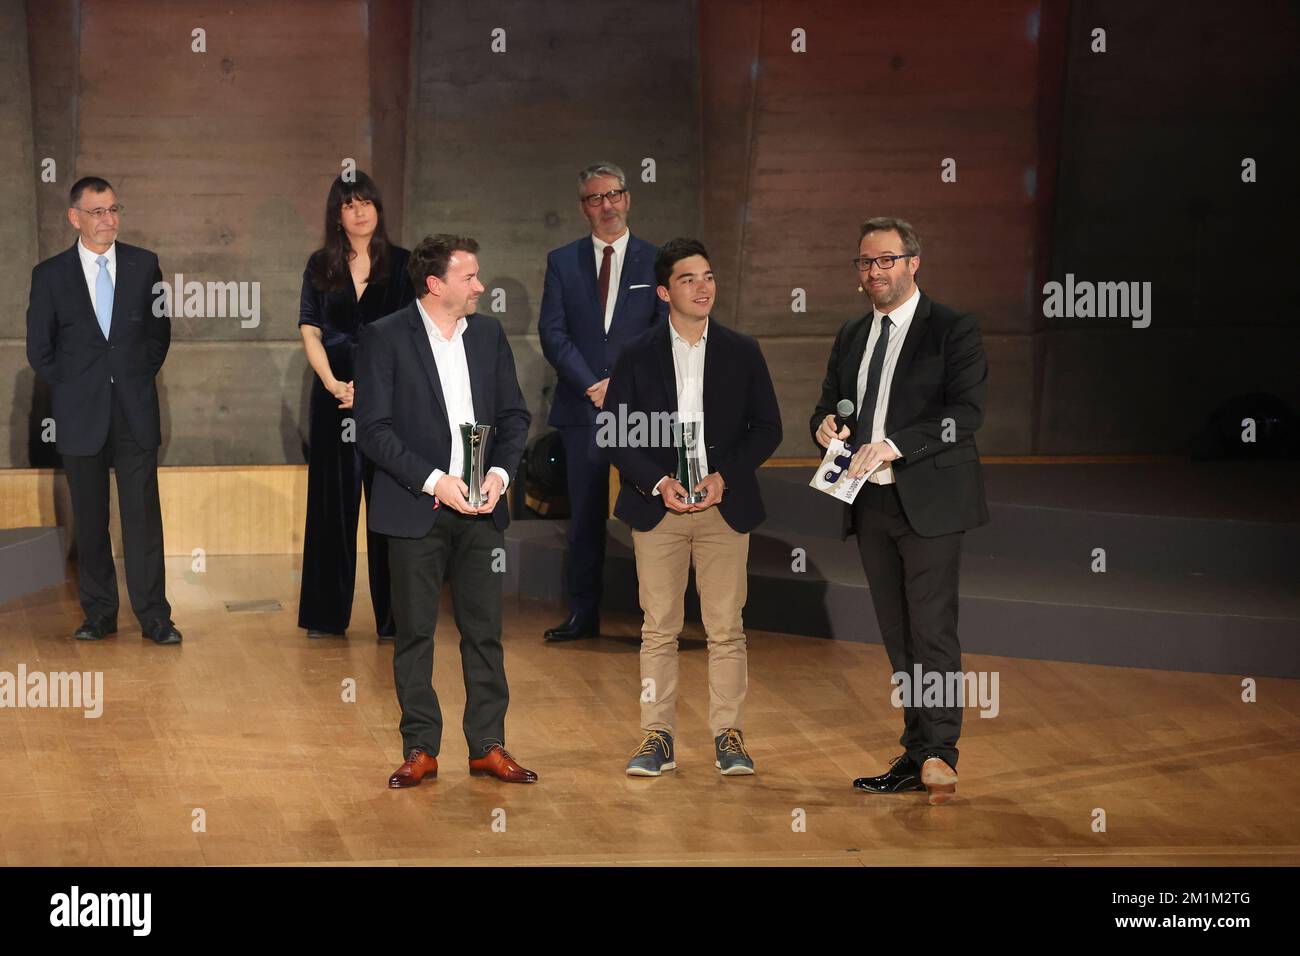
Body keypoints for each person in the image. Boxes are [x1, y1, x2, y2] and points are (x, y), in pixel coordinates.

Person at [809, 217, 989, 805]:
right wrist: (825, 424)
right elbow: (829, 400)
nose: (875, 271)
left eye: (886, 259)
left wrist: (896, 443)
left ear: (914, 262)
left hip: (929, 500)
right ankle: (914, 753)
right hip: (870, 500)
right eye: (865, 262)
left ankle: (940, 751)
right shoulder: (853, 333)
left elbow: (964, 413)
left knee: (931, 628)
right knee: (897, 634)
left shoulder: (952, 329)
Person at [355, 234, 537, 788]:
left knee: (485, 633)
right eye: (470, 277)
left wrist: (500, 477)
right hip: (416, 508)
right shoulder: (384, 338)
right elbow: (374, 431)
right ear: (436, 285)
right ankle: (421, 749)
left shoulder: (489, 335)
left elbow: (514, 416)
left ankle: (487, 745)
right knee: (414, 634)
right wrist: (437, 481)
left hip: (484, 511)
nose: (481, 286)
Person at [604, 238, 782, 777]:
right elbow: (615, 433)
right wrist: (658, 482)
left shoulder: (742, 350)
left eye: (708, 276)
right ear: (664, 292)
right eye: (688, 279)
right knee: (659, 628)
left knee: (726, 627)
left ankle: (729, 734)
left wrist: (725, 477)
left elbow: (768, 428)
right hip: (658, 507)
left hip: (722, 508)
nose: (703, 287)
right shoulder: (637, 353)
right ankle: (657, 737)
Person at [25, 176, 180, 645]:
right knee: (90, 520)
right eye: (97, 212)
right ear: (75, 217)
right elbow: (40, 349)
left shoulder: (144, 264)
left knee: (142, 520)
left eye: (114, 210)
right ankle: (99, 613)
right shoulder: (49, 275)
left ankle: (154, 616)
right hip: (79, 415)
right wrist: (79, 388)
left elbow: (159, 338)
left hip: (134, 411)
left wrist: (128, 378)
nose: (108, 220)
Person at [538, 161, 666, 642]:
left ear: (628, 198)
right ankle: (583, 614)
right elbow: (552, 333)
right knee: (585, 517)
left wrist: (621, 384)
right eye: (596, 198)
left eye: (614, 195)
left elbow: (662, 330)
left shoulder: (656, 260)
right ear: (583, 207)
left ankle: (654, 618)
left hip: (640, 409)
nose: (607, 205)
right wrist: (593, 384)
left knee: (647, 514)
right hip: (581, 407)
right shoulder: (562, 261)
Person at [297, 171, 413, 640]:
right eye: (350, 204)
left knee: (389, 504)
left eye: (367, 201)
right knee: (331, 506)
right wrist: (333, 383)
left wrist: (372, 389)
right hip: (333, 400)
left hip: (390, 402)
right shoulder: (320, 265)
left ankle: (394, 618)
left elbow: (413, 337)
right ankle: (326, 616)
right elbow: (310, 329)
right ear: (336, 214)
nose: (360, 211)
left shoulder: (403, 263)